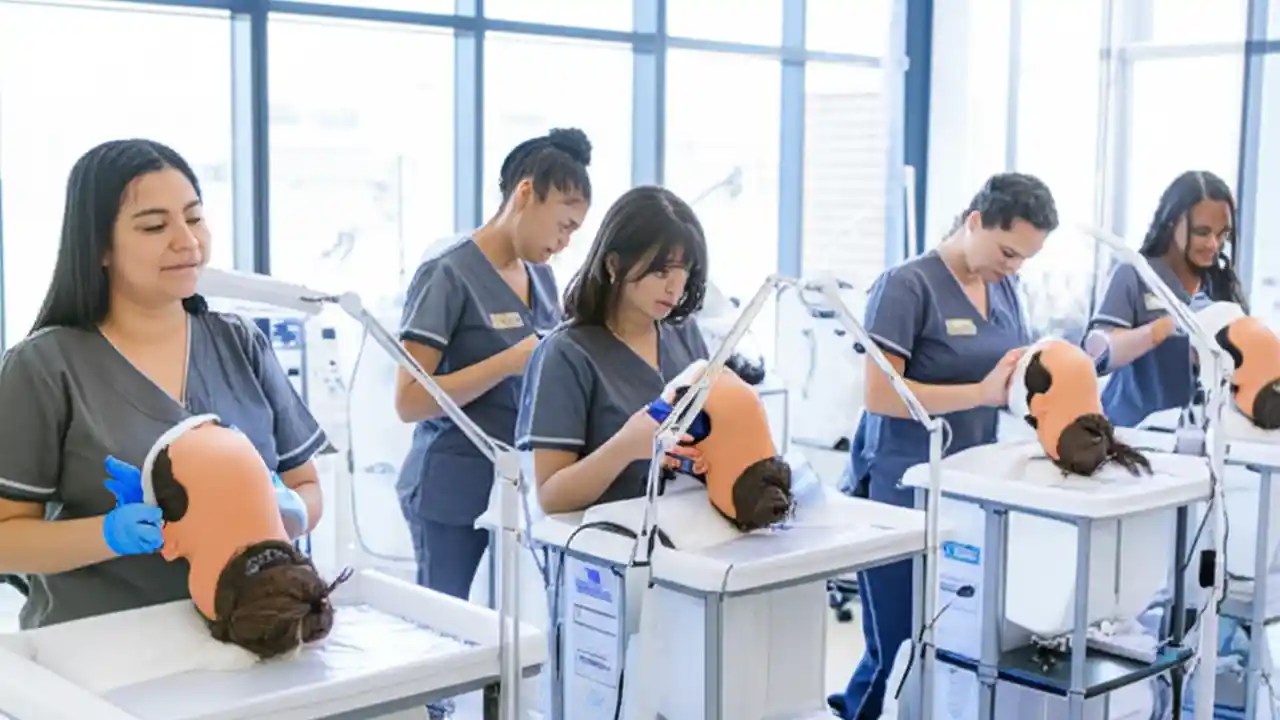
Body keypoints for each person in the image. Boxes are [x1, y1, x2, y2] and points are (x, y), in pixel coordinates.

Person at [0, 138, 328, 630]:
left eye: (194, 218)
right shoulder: (46, 367)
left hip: (244, 637)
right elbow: (6, 540)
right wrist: (108, 535)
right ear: (100, 247)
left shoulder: (240, 343)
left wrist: (286, 513)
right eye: (155, 225)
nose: (187, 241)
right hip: (102, 651)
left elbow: (304, 482)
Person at [829, 172, 1059, 720]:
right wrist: (978, 392)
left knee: (949, 635)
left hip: (968, 485)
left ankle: (862, 707)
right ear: (975, 220)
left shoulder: (1004, 286)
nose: (1014, 266)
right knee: (900, 640)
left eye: (1025, 258)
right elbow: (881, 394)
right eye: (1008, 251)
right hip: (900, 482)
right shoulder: (906, 286)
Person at [395, 128, 592, 600]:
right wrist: (508, 362)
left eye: (574, 232)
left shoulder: (541, 277)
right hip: (451, 487)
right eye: (563, 225)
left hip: (513, 490)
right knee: (445, 629)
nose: (565, 242)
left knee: (502, 634)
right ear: (526, 193)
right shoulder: (448, 273)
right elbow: (409, 400)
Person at [516, 185, 710, 515]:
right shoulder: (567, 354)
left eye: (685, 272)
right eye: (662, 271)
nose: (675, 288)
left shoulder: (683, 334)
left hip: (685, 535)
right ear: (614, 264)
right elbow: (550, 495)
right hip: (605, 547)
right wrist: (625, 447)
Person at [1084, 170, 1247, 428]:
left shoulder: (1220, 286)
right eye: (1202, 232)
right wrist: (1164, 328)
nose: (1214, 245)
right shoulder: (1135, 275)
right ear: (1173, 223)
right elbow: (1096, 357)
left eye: (1223, 234)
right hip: (1131, 432)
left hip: (1193, 435)